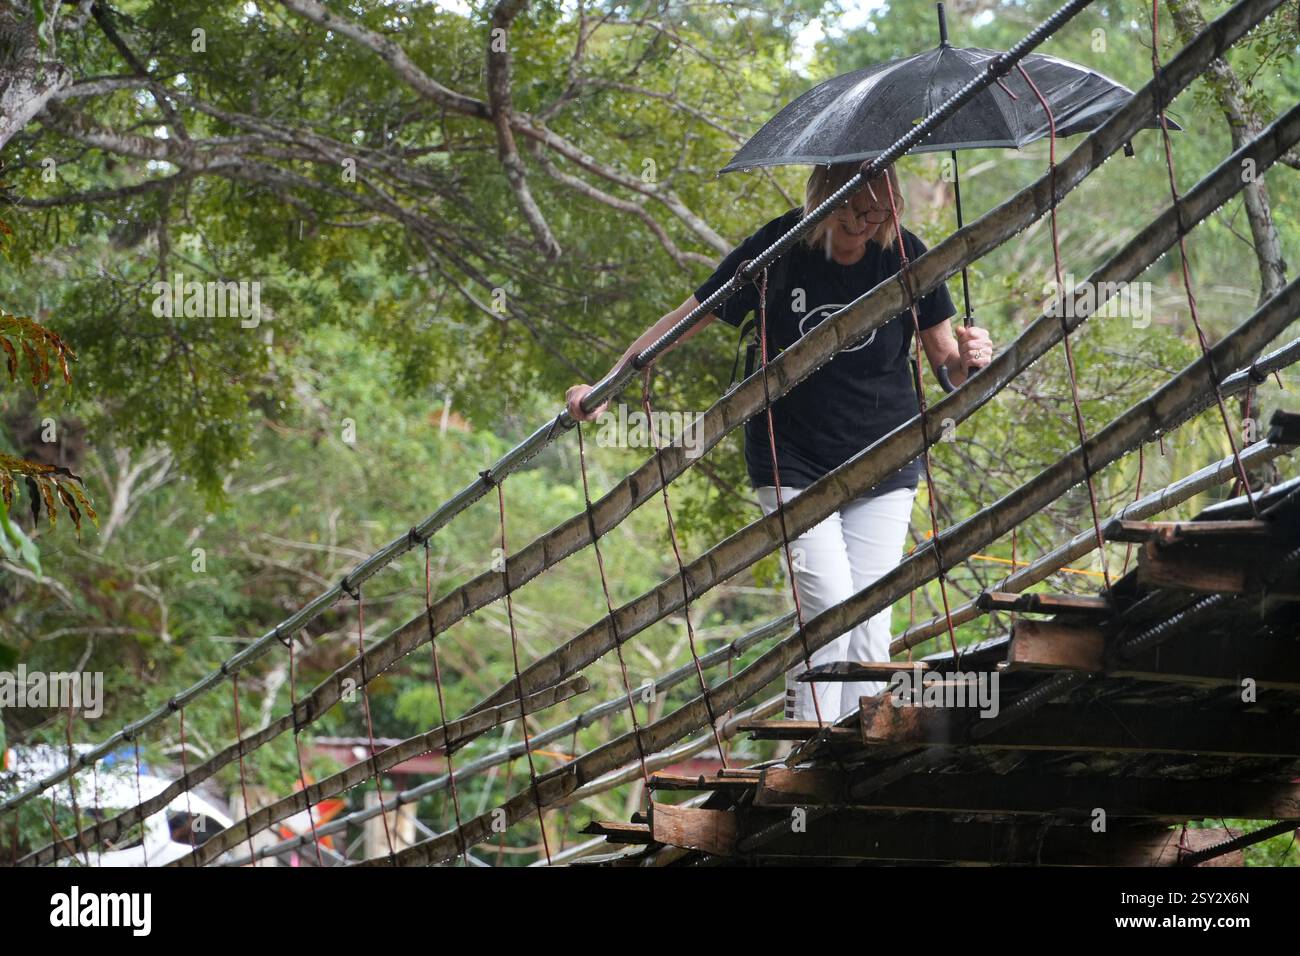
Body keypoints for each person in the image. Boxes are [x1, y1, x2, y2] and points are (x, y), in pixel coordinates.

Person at [565, 161, 993, 723]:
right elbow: (687, 318)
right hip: (791, 459)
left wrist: (972, 357)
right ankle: (809, 750)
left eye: (880, 213)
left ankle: (859, 760)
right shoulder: (779, 248)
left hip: (885, 458)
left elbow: (948, 369)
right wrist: (609, 382)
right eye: (855, 209)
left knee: (870, 625)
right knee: (828, 608)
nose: (866, 224)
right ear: (825, 198)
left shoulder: (906, 253)